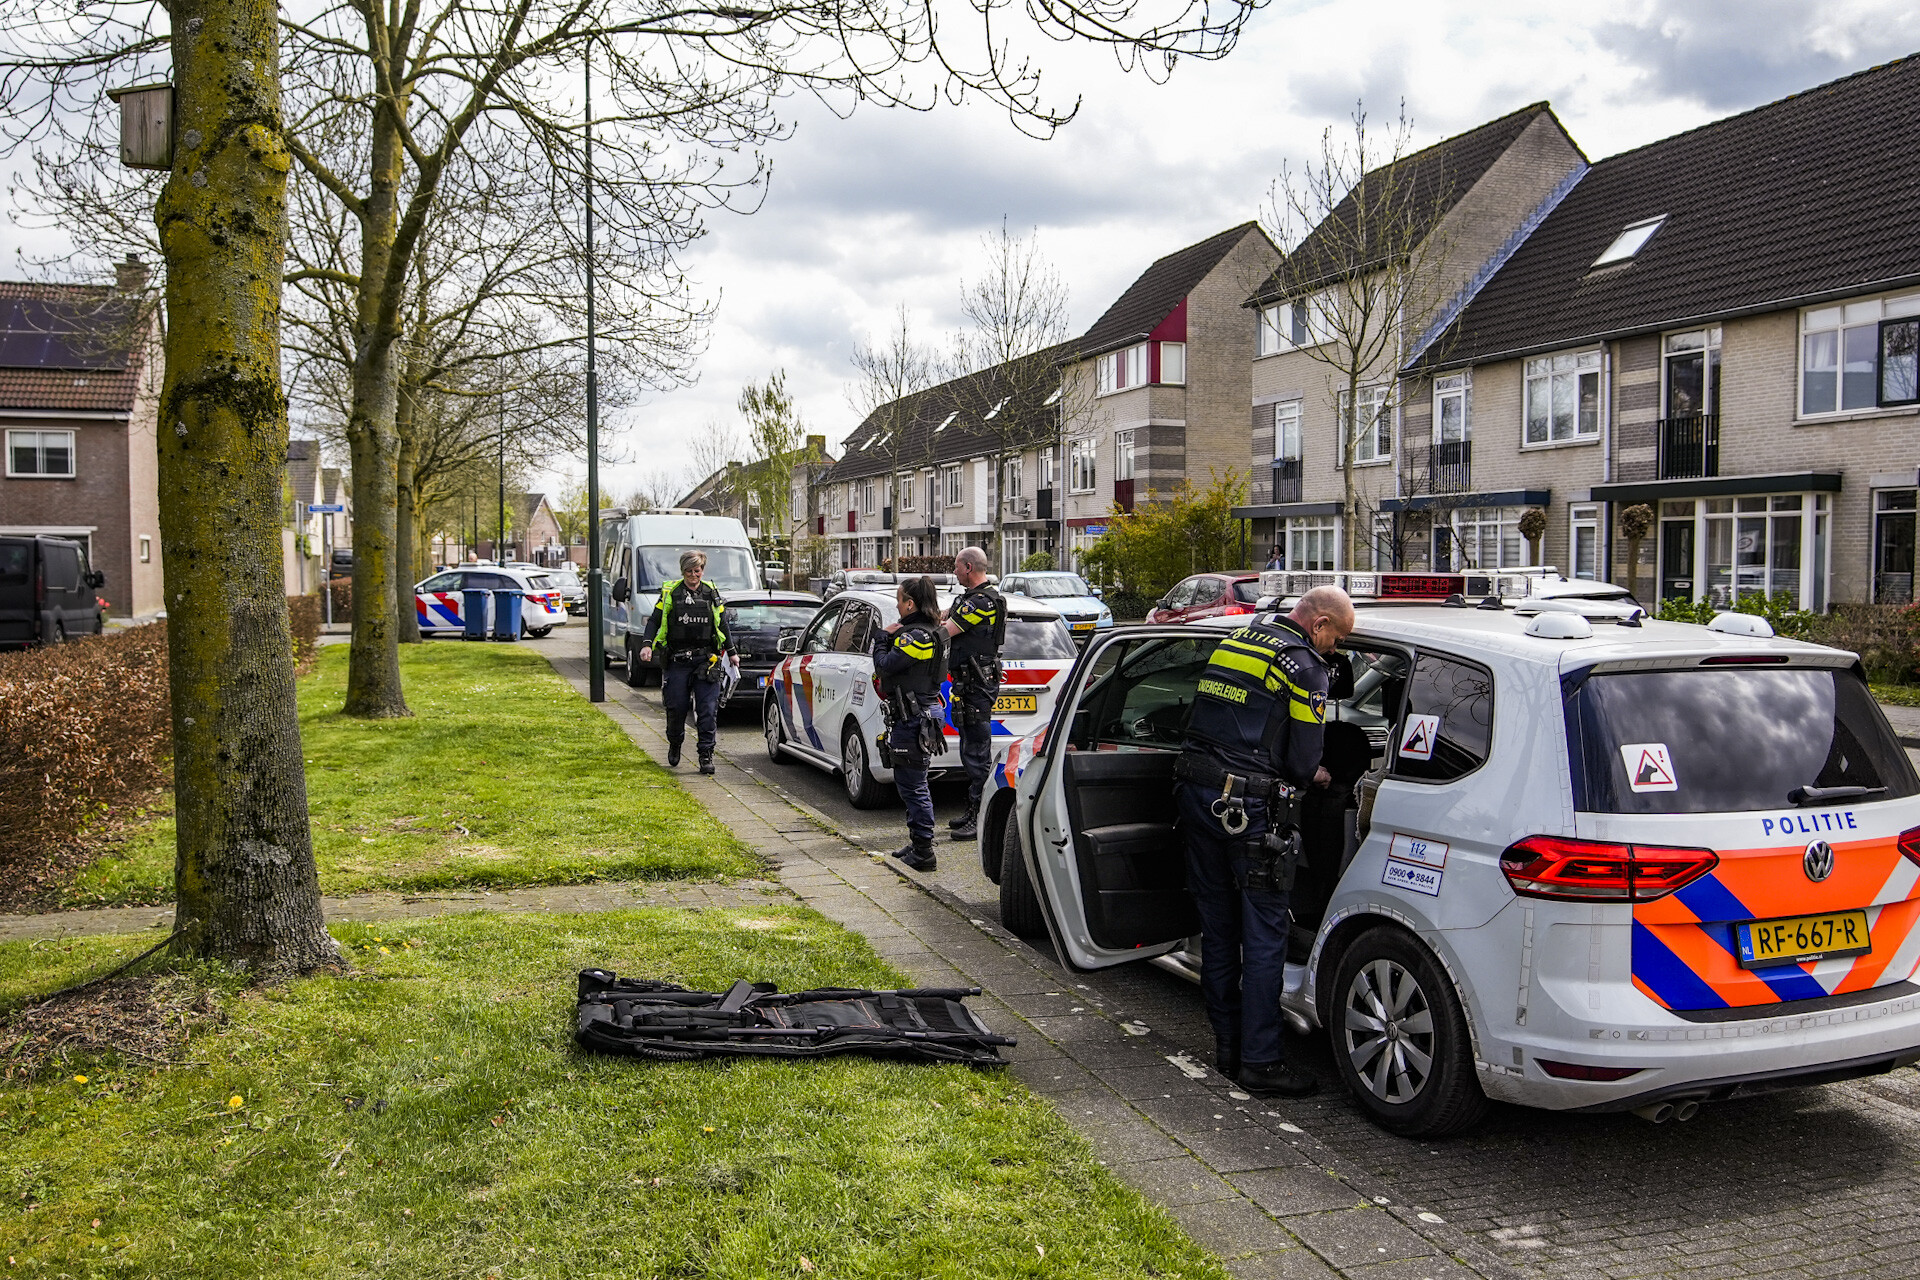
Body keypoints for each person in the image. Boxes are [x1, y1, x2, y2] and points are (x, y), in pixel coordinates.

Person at [1173, 584, 1356, 1098]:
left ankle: (1228, 1052)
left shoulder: (1239, 639)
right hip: (1250, 811)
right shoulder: (1305, 669)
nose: (1335, 651)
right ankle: (1262, 1063)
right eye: (1336, 639)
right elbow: (1301, 762)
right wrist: (1320, 777)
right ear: (1318, 624)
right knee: (1264, 935)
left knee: (1218, 928)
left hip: (1196, 794)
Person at [872, 575, 949, 872]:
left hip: (913, 718)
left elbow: (886, 665)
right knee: (910, 783)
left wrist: (881, 638)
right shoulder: (935, 631)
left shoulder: (915, 636)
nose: (897, 606)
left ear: (910, 603)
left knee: (914, 786)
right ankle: (917, 842)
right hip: (921, 715)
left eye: (898, 601)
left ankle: (924, 851)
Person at [638, 550, 733, 774]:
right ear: (683, 571)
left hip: (706, 661)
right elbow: (654, 620)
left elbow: (722, 624)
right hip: (677, 660)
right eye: (689, 571)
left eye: (697, 571)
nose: (693, 575)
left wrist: (732, 652)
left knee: (708, 710)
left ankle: (706, 755)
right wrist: (646, 644)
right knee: (677, 708)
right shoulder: (671, 593)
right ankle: (675, 742)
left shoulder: (711, 593)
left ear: (702, 570)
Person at [942, 546, 1005, 842]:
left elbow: (946, 632)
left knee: (978, 752)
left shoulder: (981, 601)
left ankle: (981, 818)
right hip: (968, 684)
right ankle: (972, 810)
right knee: (970, 749)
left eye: (956, 566)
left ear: (968, 567)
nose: (954, 571)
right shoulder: (969, 599)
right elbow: (946, 617)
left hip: (978, 685)